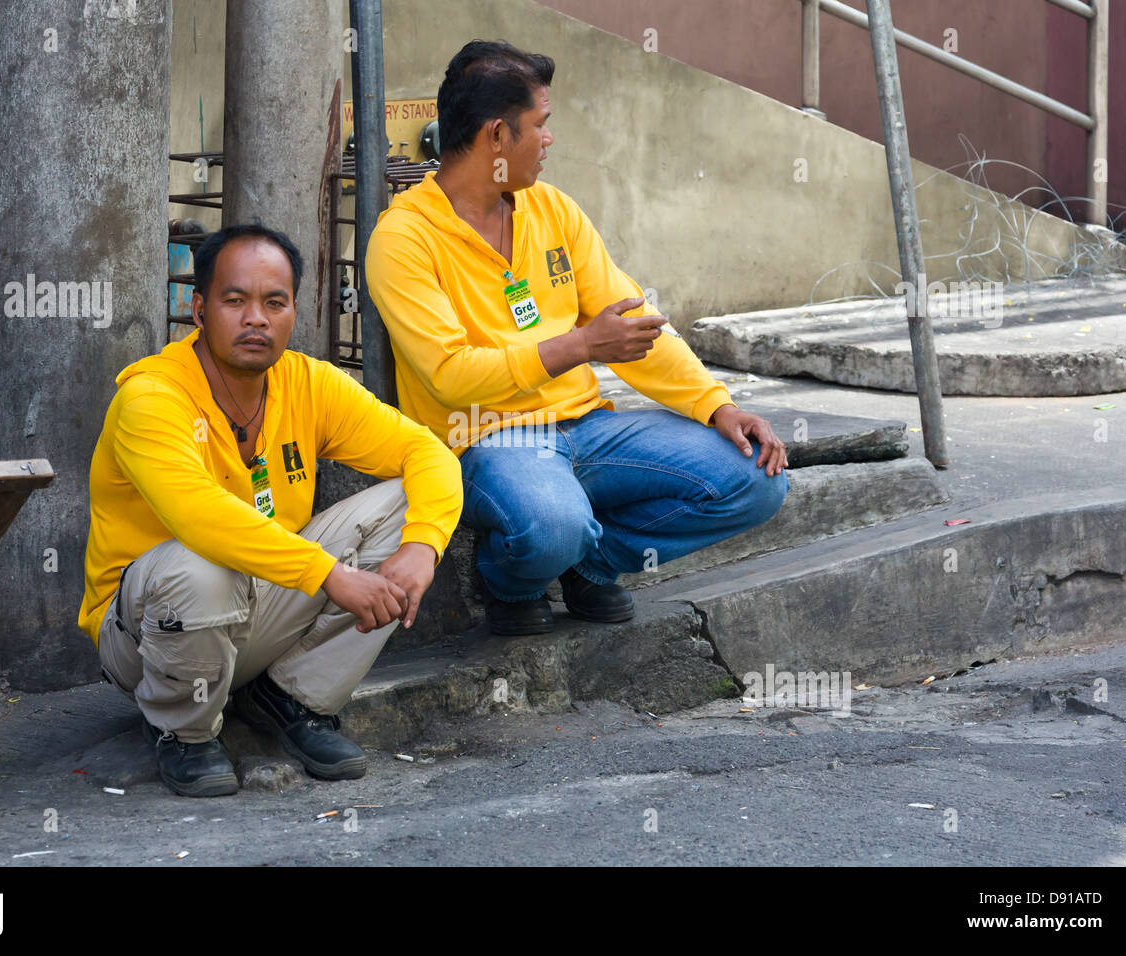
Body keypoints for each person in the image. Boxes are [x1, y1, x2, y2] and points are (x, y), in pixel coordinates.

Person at [366, 40, 788, 637]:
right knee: (551, 524)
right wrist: (582, 346)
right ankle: (510, 579)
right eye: (540, 124)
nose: (548, 139)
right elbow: (451, 375)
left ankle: (590, 564)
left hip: (587, 425)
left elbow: (636, 324)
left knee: (755, 480)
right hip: (485, 438)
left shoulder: (554, 210)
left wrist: (718, 405)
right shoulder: (402, 239)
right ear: (495, 137)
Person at [78, 224, 462, 797]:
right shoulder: (151, 397)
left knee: (410, 502)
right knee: (199, 563)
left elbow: (426, 450)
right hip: (146, 634)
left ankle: (289, 698)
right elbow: (201, 516)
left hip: (256, 608)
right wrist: (331, 575)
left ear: (293, 311)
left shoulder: (308, 384)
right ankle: (184, 732)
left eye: (273, 302)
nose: (256, 318)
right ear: (198, 308)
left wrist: (422, 546)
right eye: (235, 300)